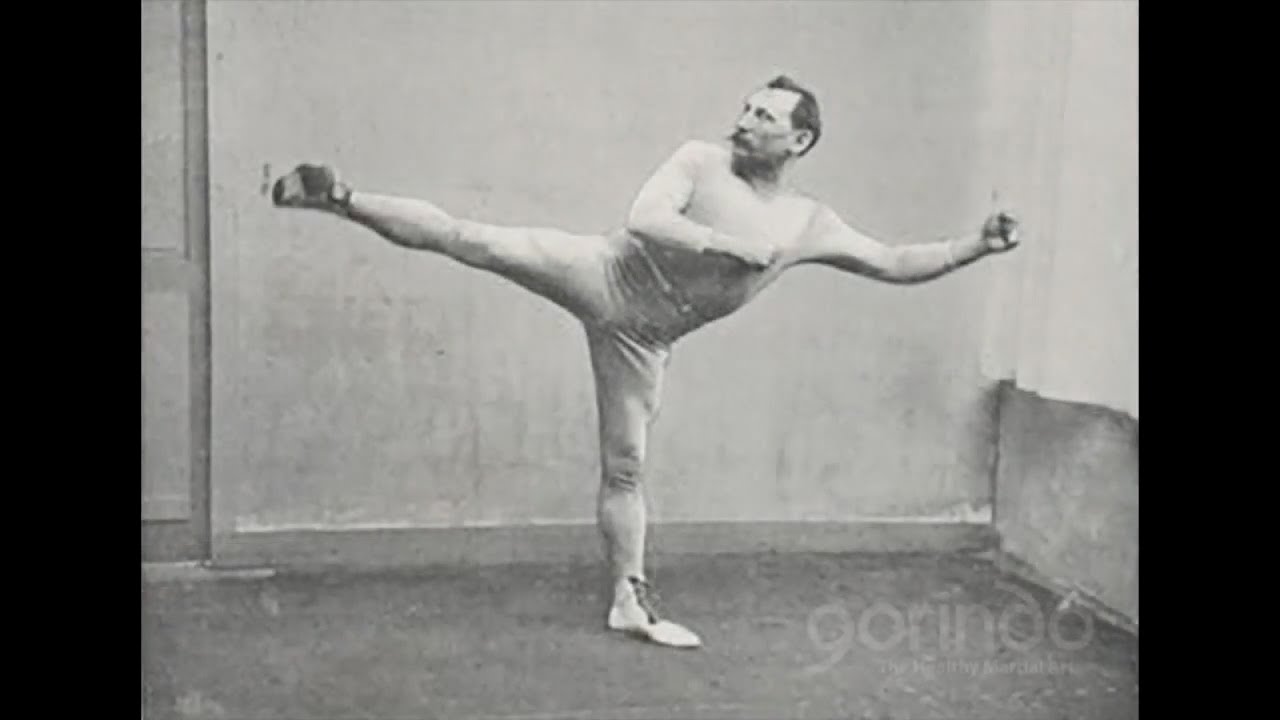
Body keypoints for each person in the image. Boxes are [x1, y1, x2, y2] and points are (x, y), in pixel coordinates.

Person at [270, 75, 1021, 650]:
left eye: (766, 115)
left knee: (626, 466)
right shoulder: (699, 159)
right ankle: (342, 196)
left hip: (645, 340)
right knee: (477, 239)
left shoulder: (807, 222)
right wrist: (727, 246)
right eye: (747, 106)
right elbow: (646, 219)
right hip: (605, 272)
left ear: (799, 142)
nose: (746, 119)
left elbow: (892, 261)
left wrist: (974, 245)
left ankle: (628, 598)